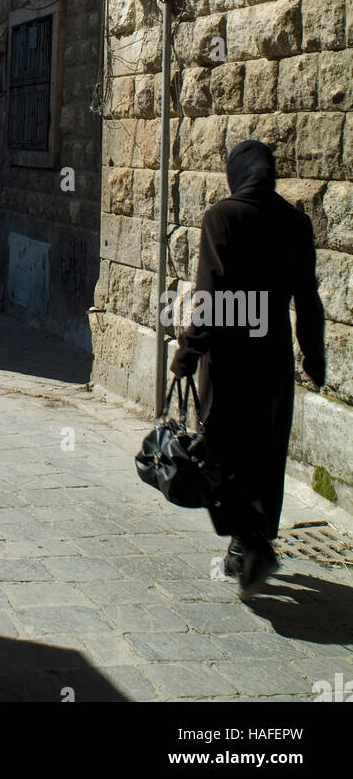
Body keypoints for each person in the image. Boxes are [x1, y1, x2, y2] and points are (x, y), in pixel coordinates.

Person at [170, 140, 325, 599]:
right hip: (271, 357)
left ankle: (246, 543)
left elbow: (211, 296)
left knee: (223, 450)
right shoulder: (295, 222)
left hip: (228, 359)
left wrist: (188, 353)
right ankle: (253, 540)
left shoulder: (223, 217)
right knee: (265, 449)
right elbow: (308, 301)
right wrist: (312, 358)